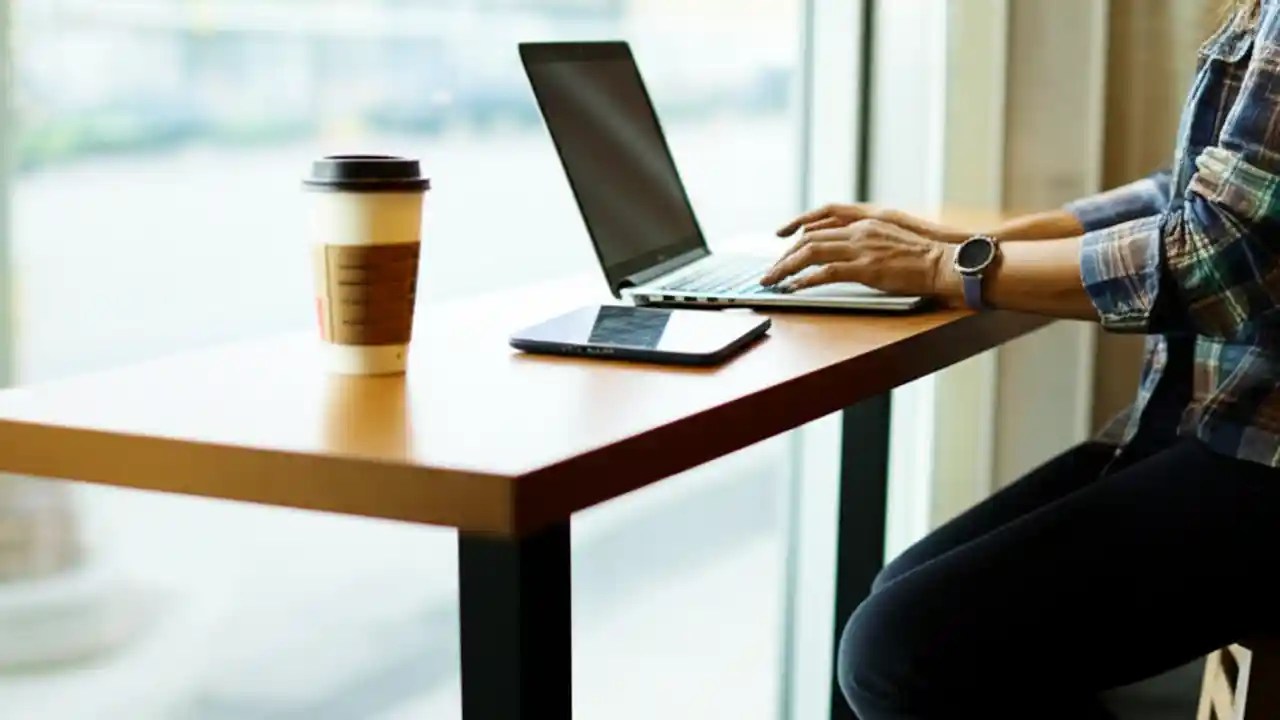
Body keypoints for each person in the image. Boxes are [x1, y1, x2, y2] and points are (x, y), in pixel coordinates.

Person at [760, 0, 1280, 717]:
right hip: (1223, 425)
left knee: (900, 652)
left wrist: (954, 266)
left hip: (1261, 452)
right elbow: (1186, 193)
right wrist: (958, 248)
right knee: (901, 611)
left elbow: (1223, 252)